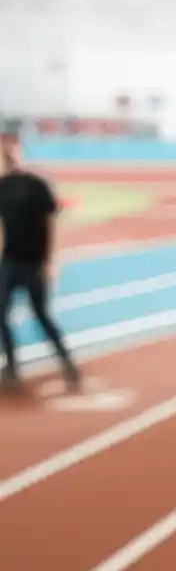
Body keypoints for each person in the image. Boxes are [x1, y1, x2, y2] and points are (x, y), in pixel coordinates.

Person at [0, 134, 80, 392]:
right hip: (10, 262)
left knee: (41, 316)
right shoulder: (1, 187)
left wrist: (51, 260)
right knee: (1, 314)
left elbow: (50, 222)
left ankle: (68, 364)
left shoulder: (36, 185)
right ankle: (12, 369)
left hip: (34, 262)